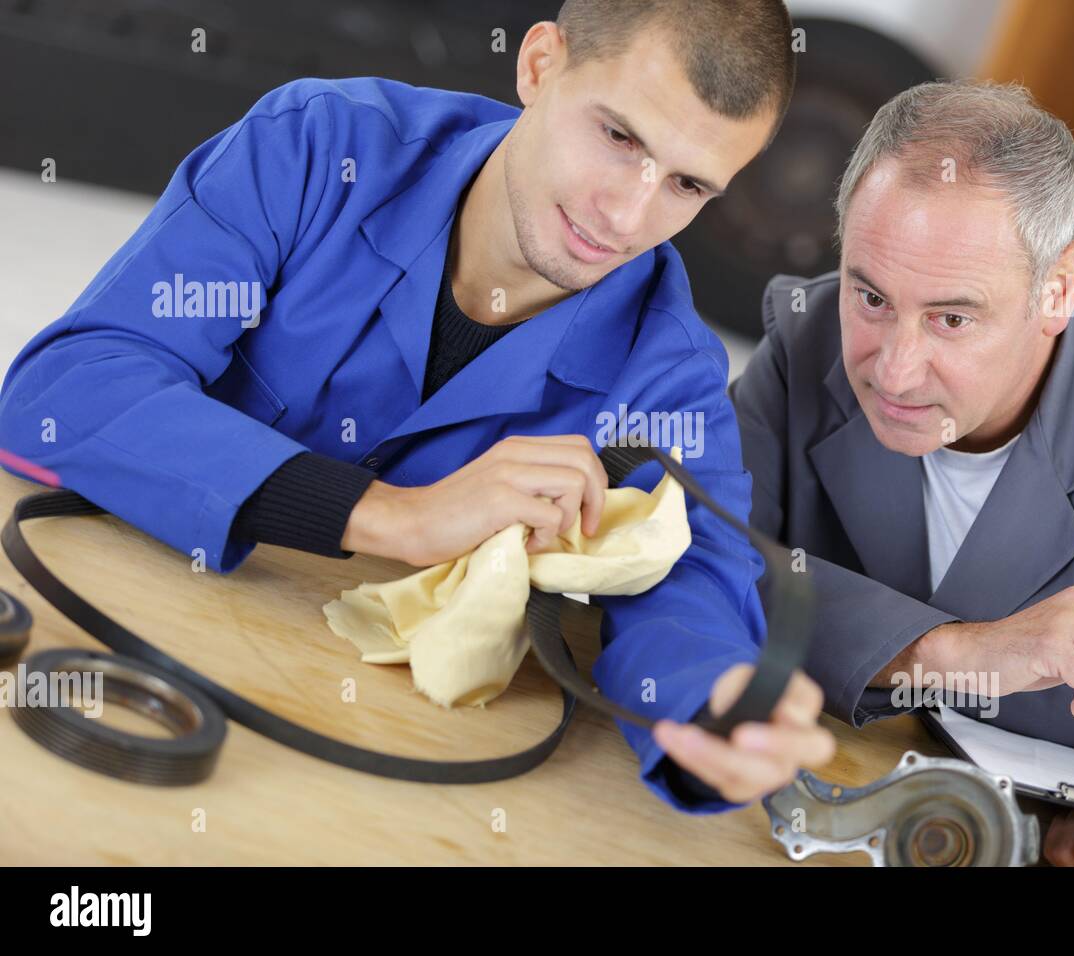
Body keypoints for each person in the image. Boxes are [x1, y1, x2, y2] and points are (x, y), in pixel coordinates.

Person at [0, 0, 834, 813]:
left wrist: (708, 699)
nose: (627, 215)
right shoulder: (318, 147)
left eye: (687, 184)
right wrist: (390, 516)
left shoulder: (670, 373)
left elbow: (689, 584)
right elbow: (68, 387)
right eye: (619, 137)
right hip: (98, 613)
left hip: (338, 750)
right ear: (539, 64)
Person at [730, 80, 1074, 864]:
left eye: (952, 319)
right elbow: (697, 561)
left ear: (1059, 290)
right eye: (870, 295)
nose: (893, 372)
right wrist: (953, 652)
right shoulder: (803, 344)